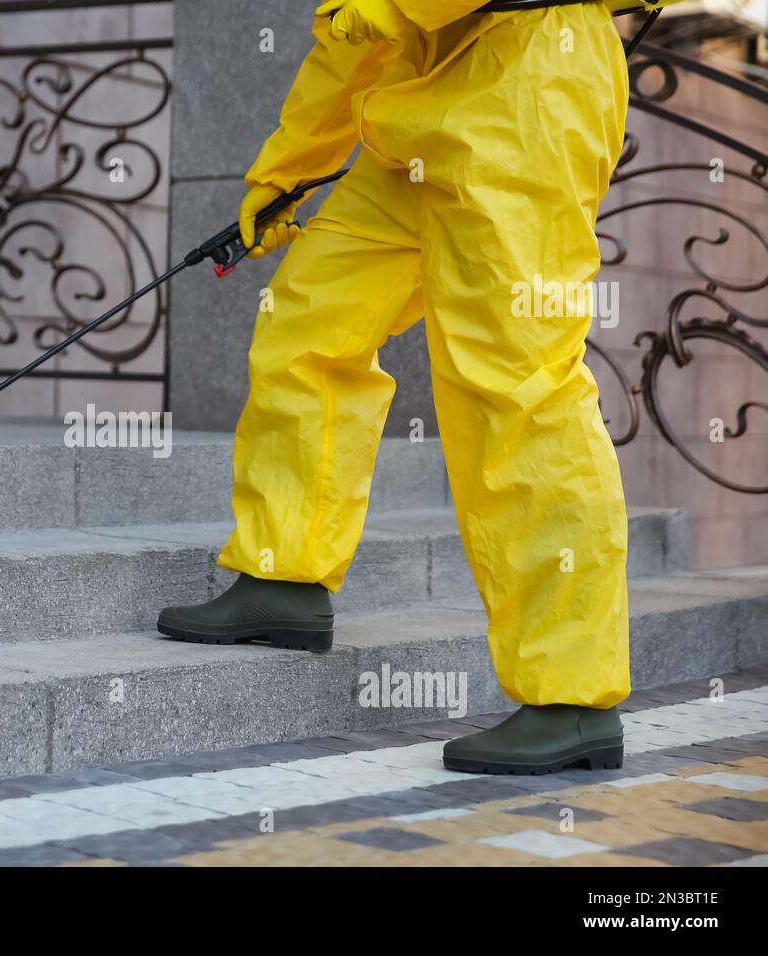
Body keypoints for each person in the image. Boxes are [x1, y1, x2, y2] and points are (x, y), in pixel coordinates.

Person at [158, 0, 668, 773]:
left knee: (517, 386)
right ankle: (283, 575)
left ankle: (571, 698)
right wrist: (284, 172)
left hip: (531, 80)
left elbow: (374, 12)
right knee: (309, 321)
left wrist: (389, 9)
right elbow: (348, 32)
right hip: (416, 106)